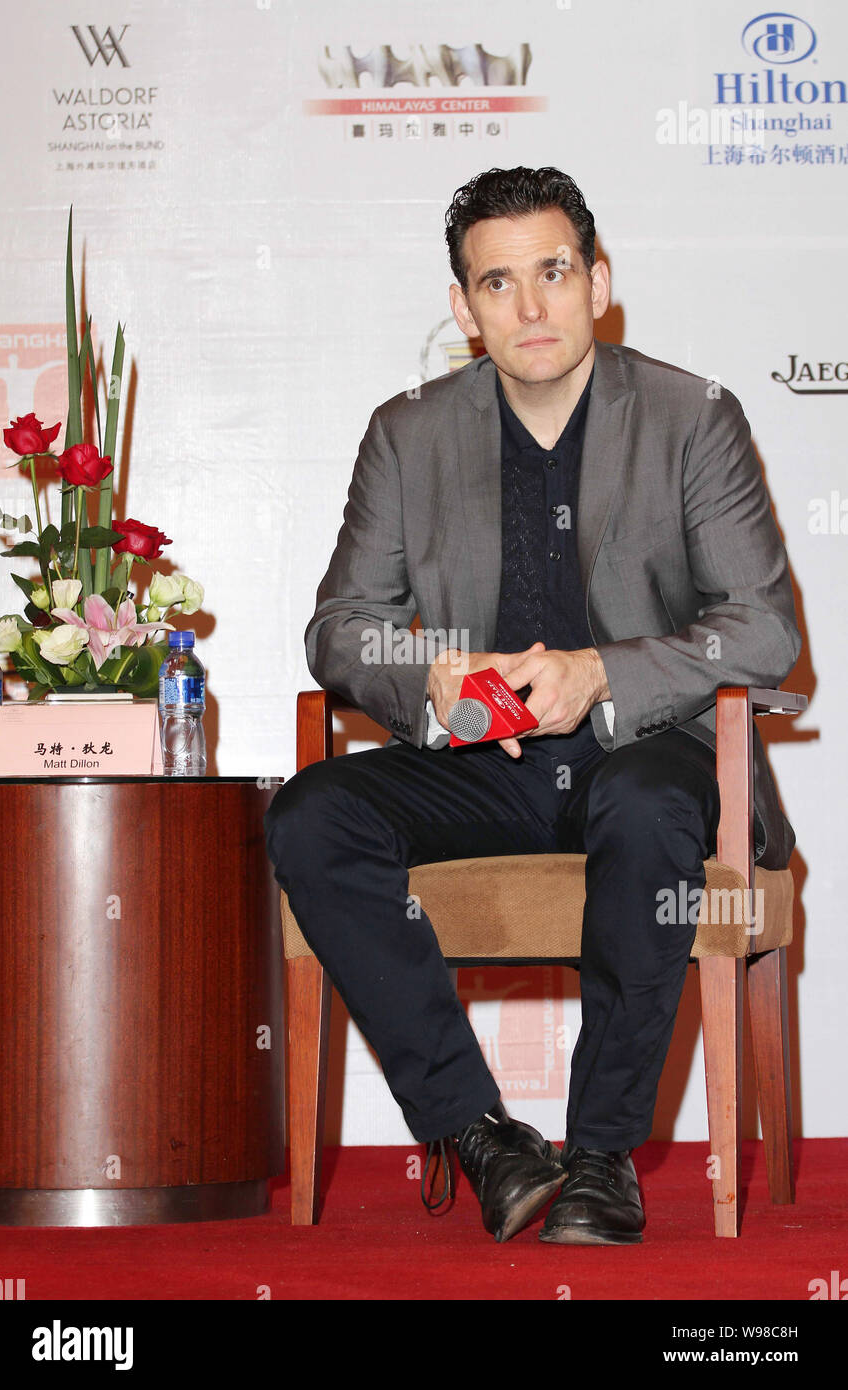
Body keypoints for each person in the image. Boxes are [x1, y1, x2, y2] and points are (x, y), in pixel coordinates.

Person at [265, 166, 800, 1246]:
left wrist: (600, 673)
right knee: (311, 813)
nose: (529, 307)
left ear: (597, 281)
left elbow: (763, 628)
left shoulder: (689, 416)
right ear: (463, 309)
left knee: (643, 808)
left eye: (552, 272)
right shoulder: (405, 433)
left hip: (648, 754)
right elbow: (339, 629)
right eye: (496, 283)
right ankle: (478, 1134)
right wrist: (429, 677)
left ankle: (601, 1154)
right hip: (479, 765)